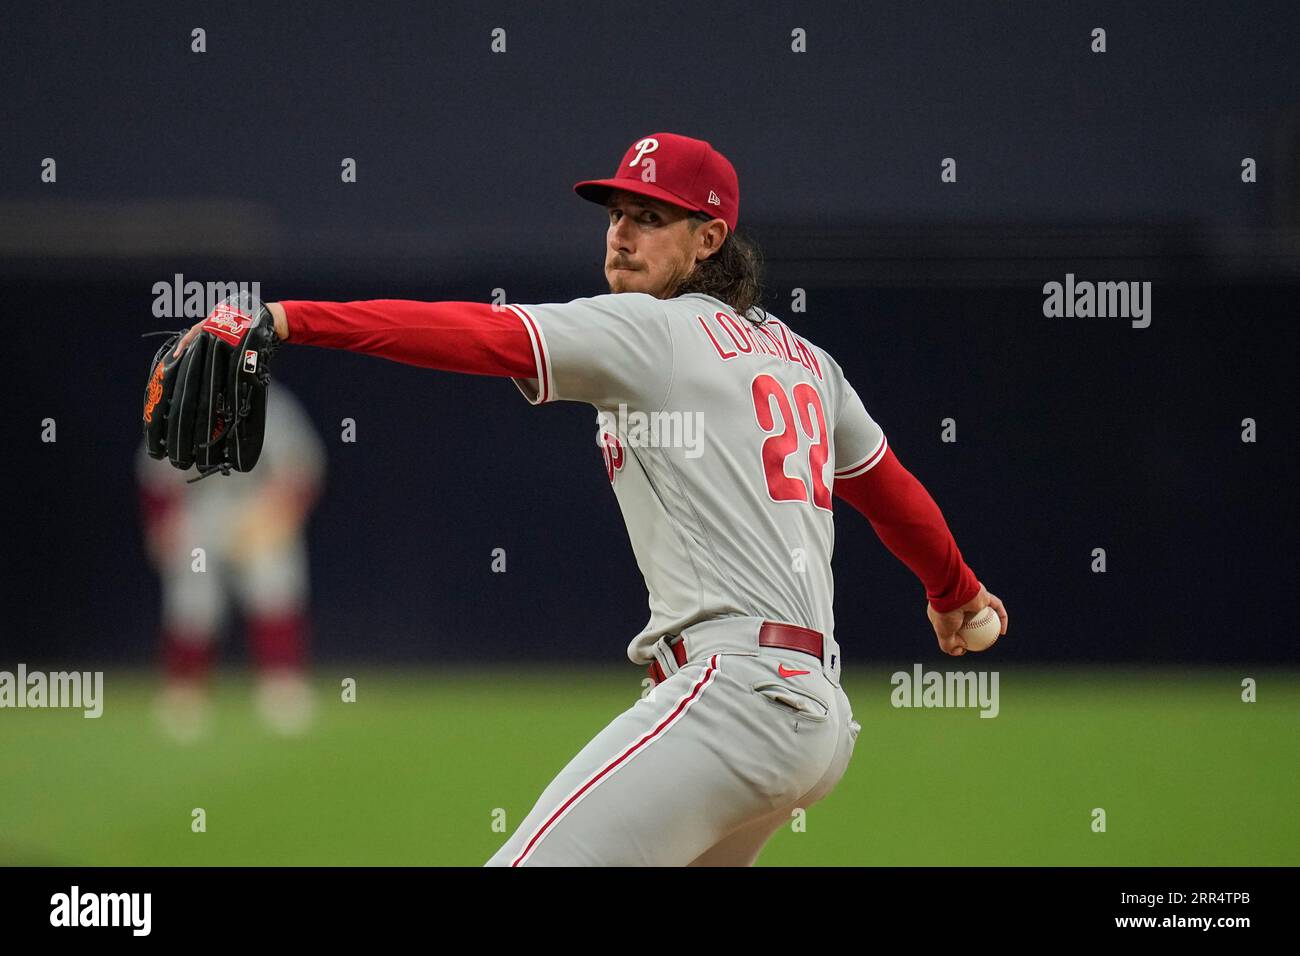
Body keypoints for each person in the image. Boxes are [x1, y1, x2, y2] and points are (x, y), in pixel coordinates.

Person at [170, 131, 1008, 864]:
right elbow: (889, 490)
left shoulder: (655, 329)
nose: (621, 233)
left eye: (652, 218)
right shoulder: (805, 361)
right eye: (615, 214)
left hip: (733, 699)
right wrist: (956, 593)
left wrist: (287, 319)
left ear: (710, 238)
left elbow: (481, 334)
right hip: (813, 717)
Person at [138, 383, 326, 741]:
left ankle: (282, 687)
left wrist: (276, 516)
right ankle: (184, 692)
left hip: (255, 507)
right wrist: (162, 522)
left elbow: (300, 469)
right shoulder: (180, 402)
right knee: (193, 600)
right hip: (199, 509)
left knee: (275, 582)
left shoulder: (271, 404)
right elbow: (157, 476)